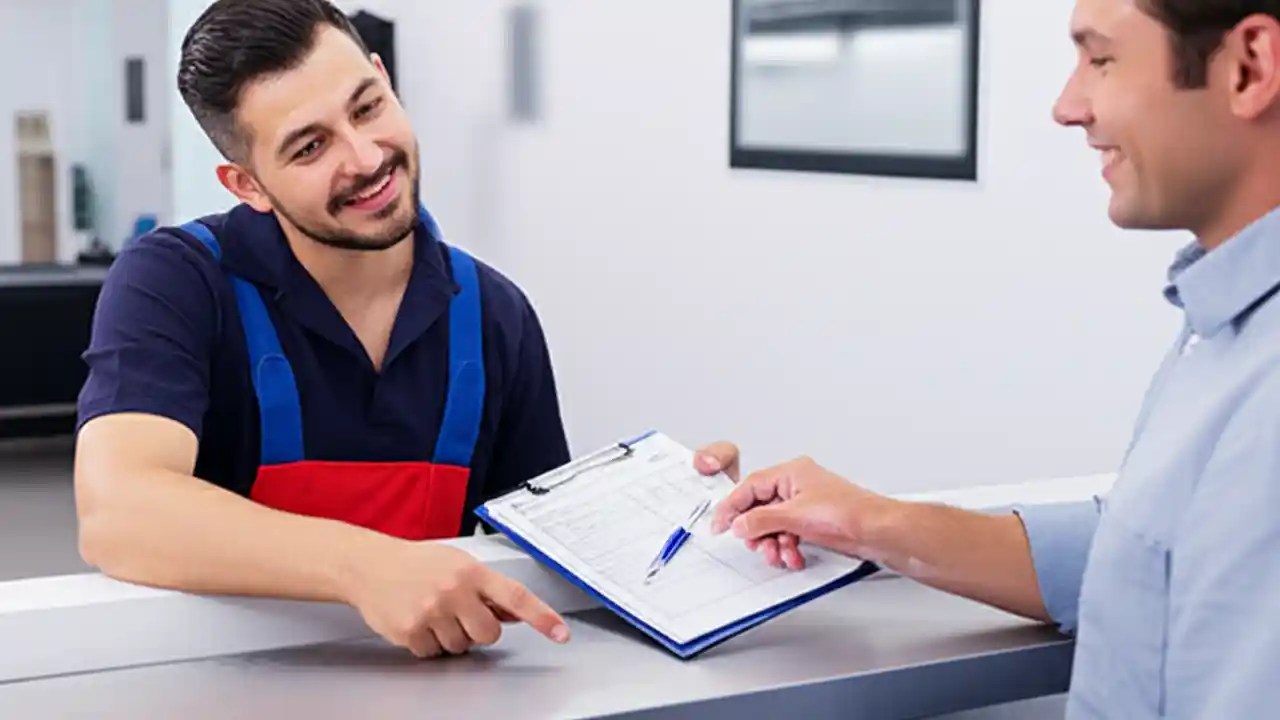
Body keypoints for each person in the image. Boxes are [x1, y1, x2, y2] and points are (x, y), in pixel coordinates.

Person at [695, 0, 1280, 716]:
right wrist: (872, 523)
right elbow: (1157, 550)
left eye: (1101, 59)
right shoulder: (1226, 331)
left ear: (1250, 66)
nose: (1068, 107)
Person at [74, 0, 572, 659]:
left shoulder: (494, 313)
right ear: (247, 184)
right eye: (311, 146)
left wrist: (698, 515)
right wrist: (364, 567)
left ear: (383, 77)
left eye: (367, 108)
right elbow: (119, 512)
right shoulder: (175, 284)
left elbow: (549, 544)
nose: (366, 159)